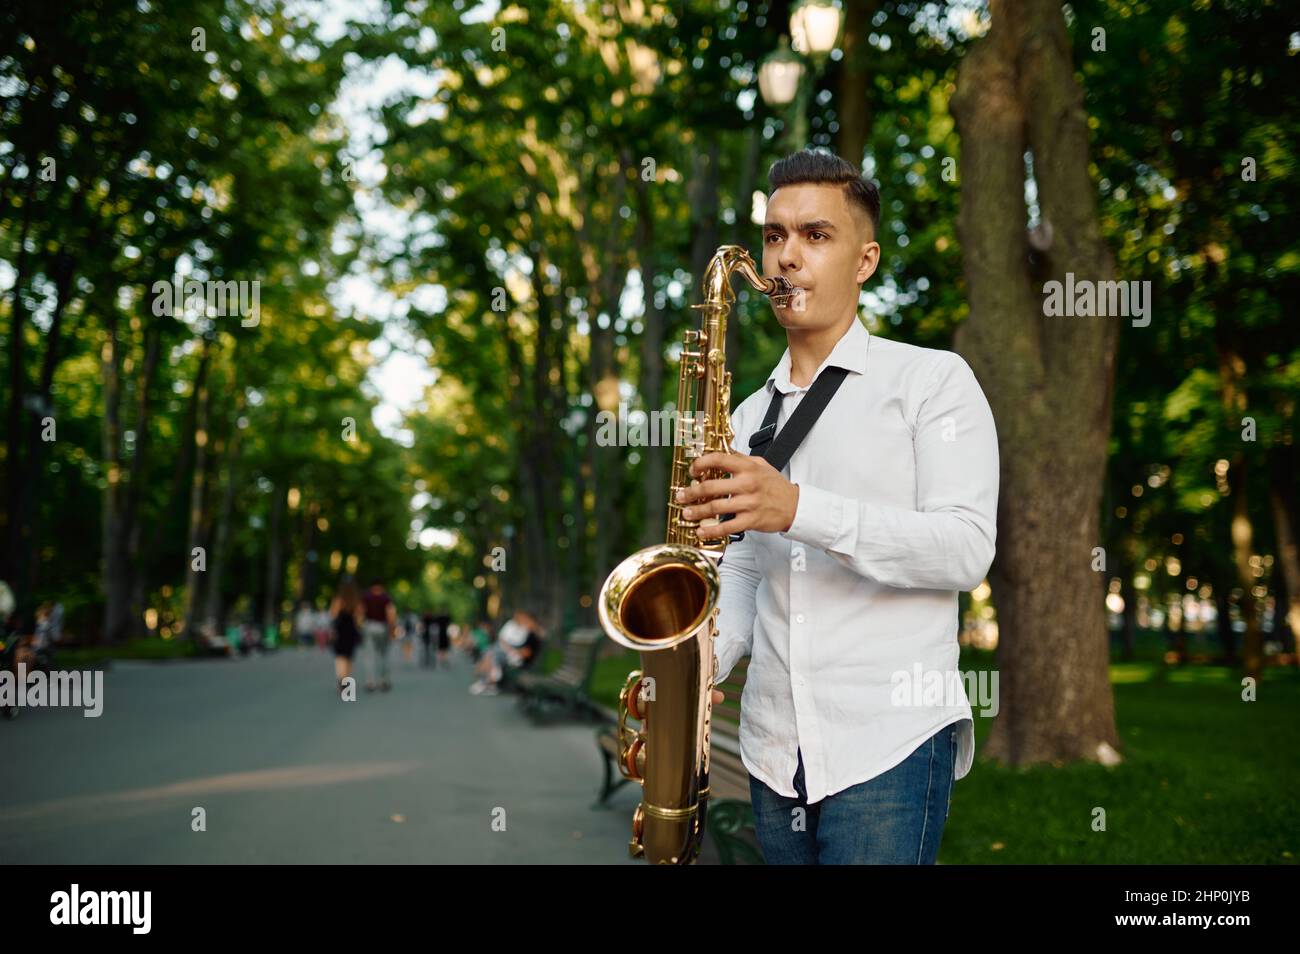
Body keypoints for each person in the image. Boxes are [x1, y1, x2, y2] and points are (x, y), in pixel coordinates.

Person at [676, 150, 999, 864]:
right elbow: (746, 572)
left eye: (816, 236)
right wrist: (697, 670)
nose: (787, 257)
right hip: (769, 747)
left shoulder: (931, 381)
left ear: (865, 259)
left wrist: (796, 507)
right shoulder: (748, 415)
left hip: (888, 742)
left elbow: (965, 547)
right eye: (774, 235)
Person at [361, 577, 397, 691]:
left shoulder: (366, 596)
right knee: (383, 655)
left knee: (369, 656)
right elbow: (391, 613)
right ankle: (384, 681)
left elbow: (360, 612)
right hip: (383, 627)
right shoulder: (386, 597)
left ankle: (370, 682)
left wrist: (361, 625)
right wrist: (392, 630)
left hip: (369, 626)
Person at [330, 579, 363, 693]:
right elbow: (359, 619)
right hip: (351, 631)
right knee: (349, 657)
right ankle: (346, 681)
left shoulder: (338, 600)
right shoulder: (356, 601)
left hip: (340, 630)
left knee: (340, 657)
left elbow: (333, 615)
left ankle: (341, 679)